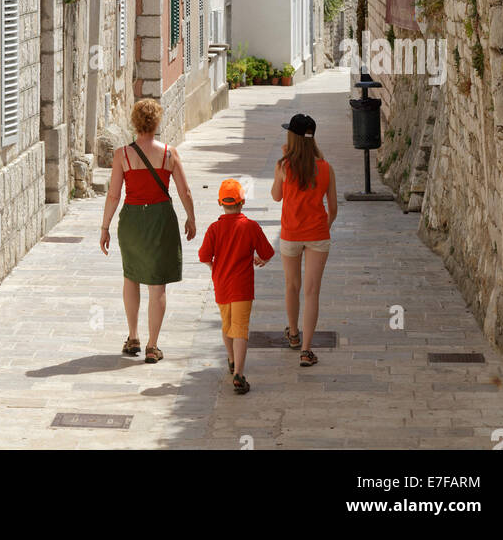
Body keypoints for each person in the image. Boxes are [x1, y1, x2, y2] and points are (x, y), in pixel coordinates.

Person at [99, 98, 196, 363]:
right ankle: (153, 346)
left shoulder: (122, 154)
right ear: (156, 122)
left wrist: (105, 226)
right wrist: (191, 218)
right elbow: (184, 191)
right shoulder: (169, 153)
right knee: (157, 283)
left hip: (131, 219)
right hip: (160, 218)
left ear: (134, 121)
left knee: (131, 276)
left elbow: (113, 195)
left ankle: (133, 337)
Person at [271, 112, 337, 367]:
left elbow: (276, 196)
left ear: (293, 138)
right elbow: (333, 208)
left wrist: (283, 163)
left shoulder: (284, 166)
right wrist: (324, 226)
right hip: (317, 234)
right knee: (312, 292)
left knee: (292, 286)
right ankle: (307, 350)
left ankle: (293, 333)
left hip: (290, 234)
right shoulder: (325, 167)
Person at [198, 177, 274, 395]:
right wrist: (261, 260)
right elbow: (267, 252)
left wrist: (215, 267)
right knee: (240, 329)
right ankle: (239, 374)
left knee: (227, 325)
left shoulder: (214, 228)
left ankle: (231, 360)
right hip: (242, 287)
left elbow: (204, 256)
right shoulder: (250, 226)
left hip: (221, 285)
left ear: (219, 203)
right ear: (242, 203)